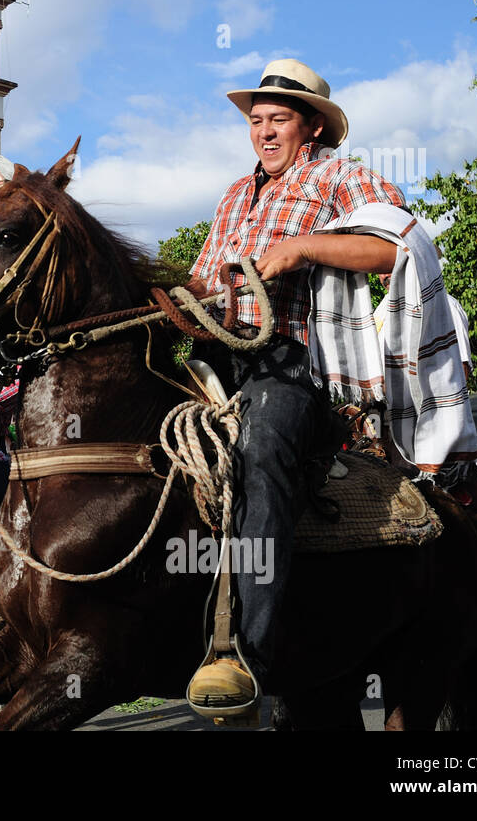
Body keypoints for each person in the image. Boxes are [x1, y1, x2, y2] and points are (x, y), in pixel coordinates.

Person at [182, 58, 443, 712]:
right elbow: (202, 279)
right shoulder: (232, 196)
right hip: (216, 356)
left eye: (279, 119)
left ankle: (250, 655)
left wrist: (302, 248)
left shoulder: (339, 175)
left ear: (313, 127)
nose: (264, 131)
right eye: (257, 119)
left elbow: (398, 248)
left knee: (262, 453)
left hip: (289, 362)